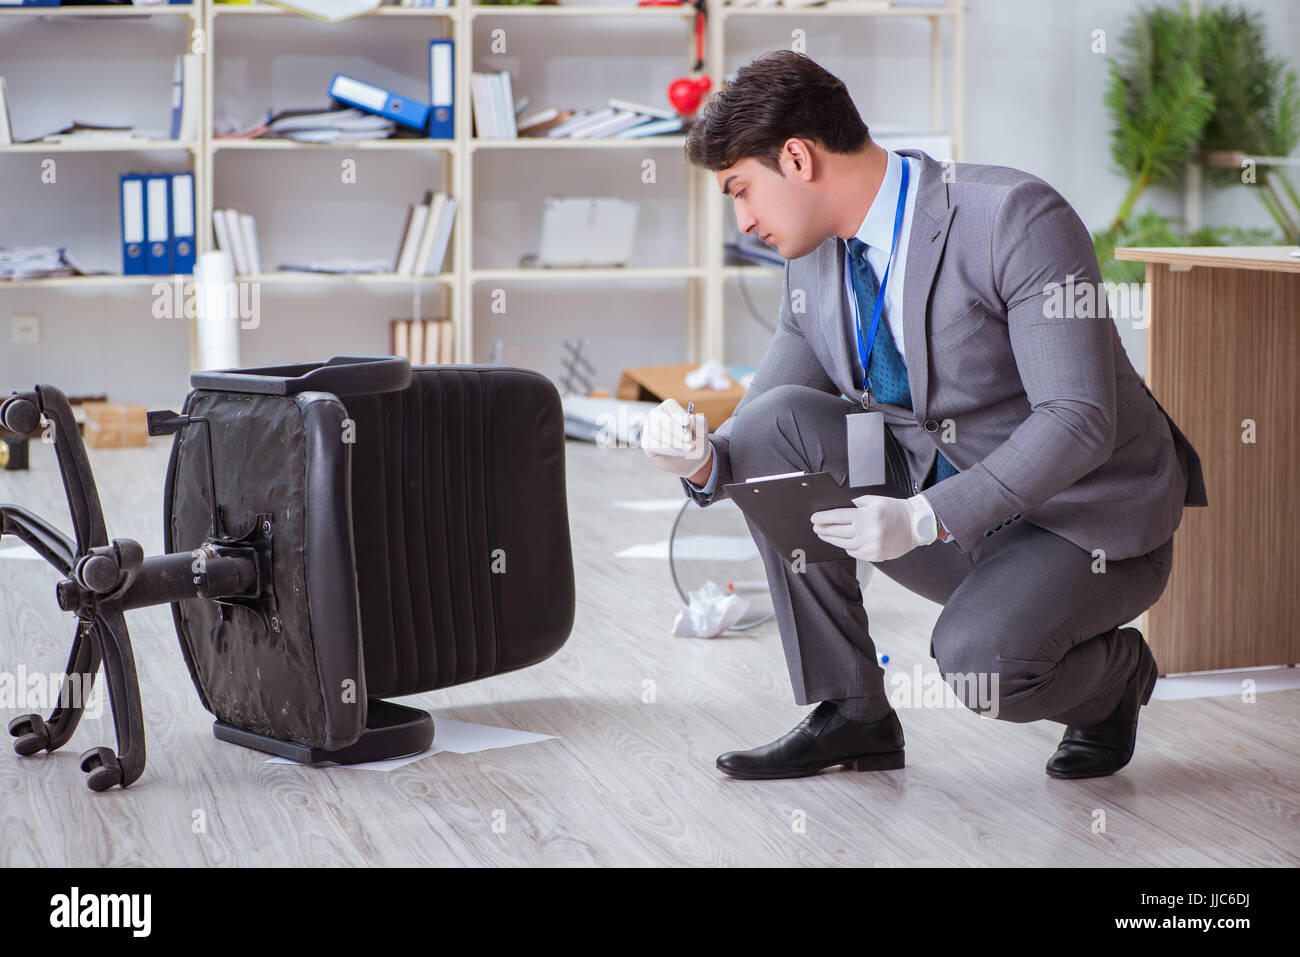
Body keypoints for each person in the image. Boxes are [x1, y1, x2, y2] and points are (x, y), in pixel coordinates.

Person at [641, 50, 1207, 781]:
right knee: (767, 429)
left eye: (740, 190)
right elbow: (759, 436)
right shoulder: (813, 261)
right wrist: (701, 459)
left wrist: (924, 517)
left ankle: (1115, 679)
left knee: (980, 665)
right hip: (946, 518)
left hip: (1080, 520)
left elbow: (1079, 418)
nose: (745, 221)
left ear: (797, 158)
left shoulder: (1013, 217)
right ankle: (852, 712)